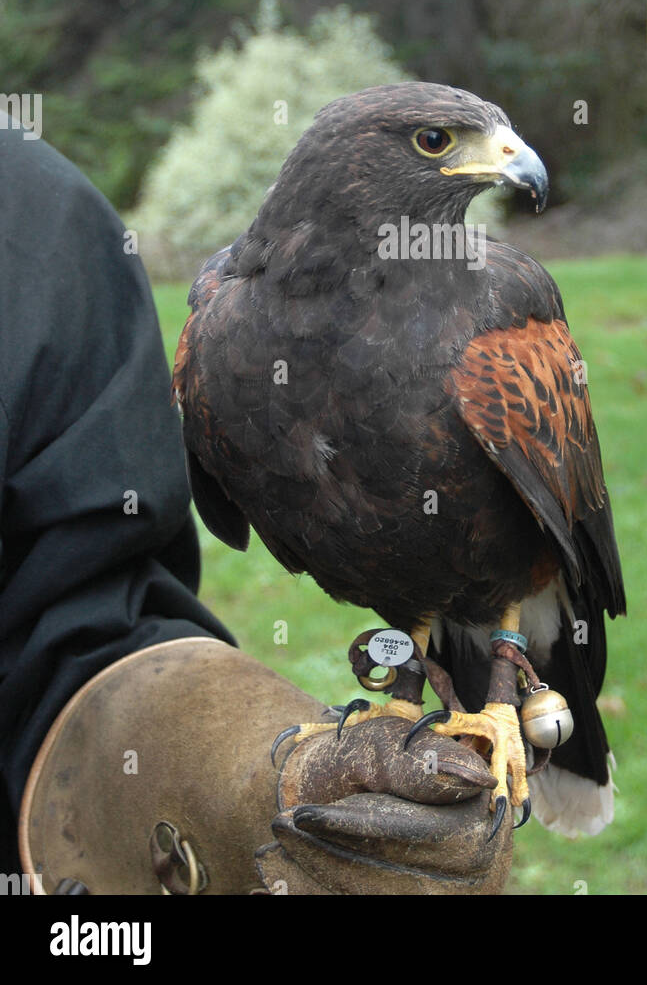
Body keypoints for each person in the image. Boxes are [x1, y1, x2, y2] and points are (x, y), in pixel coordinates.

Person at [0, 118, 509, 893]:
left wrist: (242, 784)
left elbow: (75, 616)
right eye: (441, 141)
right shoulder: (225, 319)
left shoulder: (28, 214)